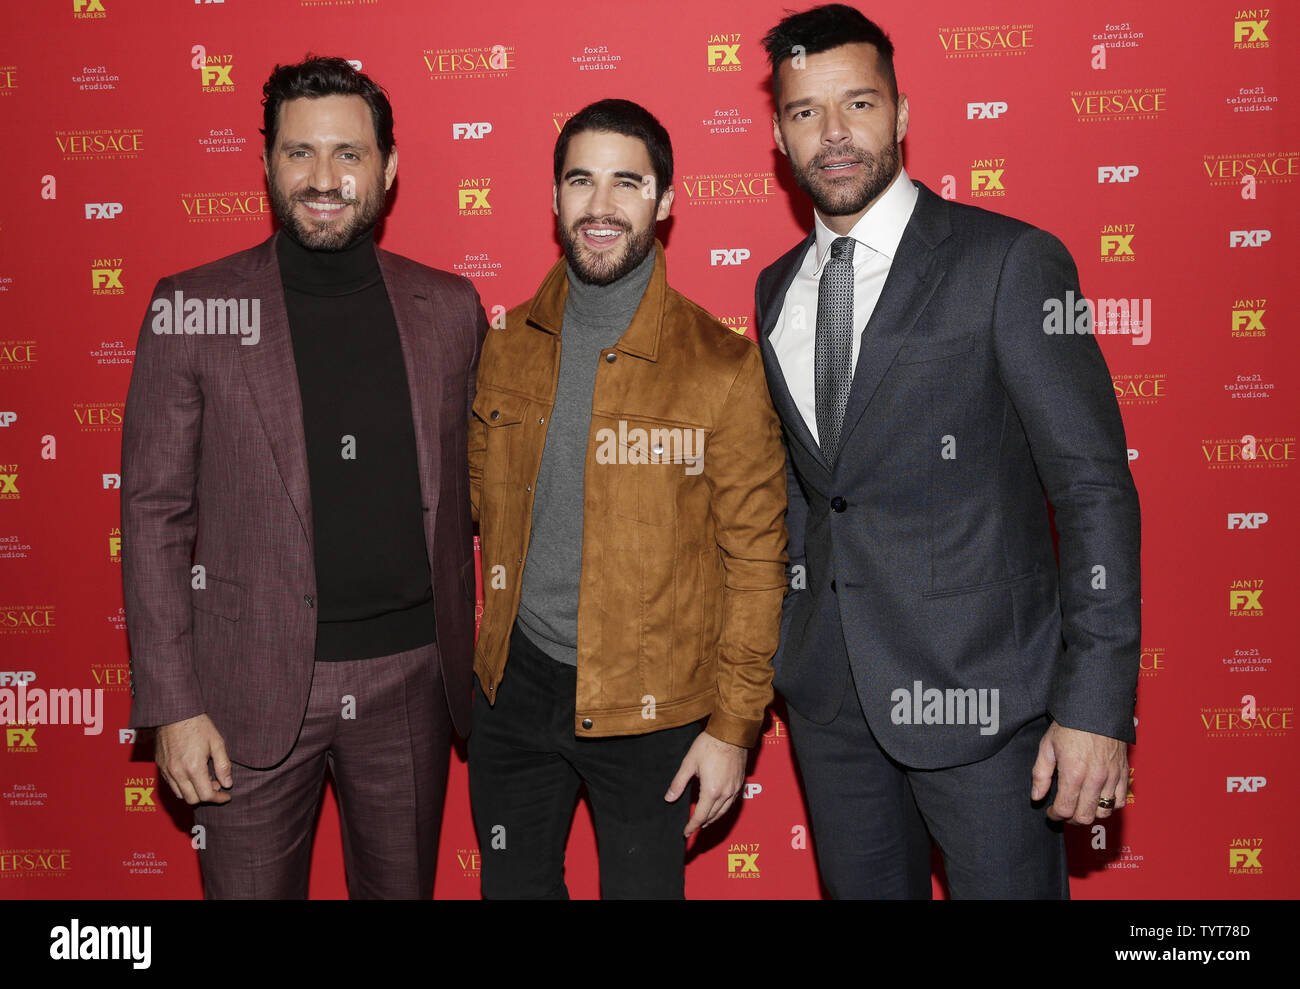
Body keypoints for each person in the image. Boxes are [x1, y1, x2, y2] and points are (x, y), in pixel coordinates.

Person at [755, 5, 1141, 898]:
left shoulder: (1012, 262)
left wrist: (1095, 704)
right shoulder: (777, 289)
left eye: (859, 103)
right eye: (807, 112)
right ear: (779, 134)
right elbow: (815, 492)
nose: (836, 133)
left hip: (986, 704)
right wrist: (786, 649)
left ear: (902, 112)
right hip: (831, 702)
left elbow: (1093, 490)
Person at [121, 56, 486, 899]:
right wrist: (172, 705)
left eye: (349, 155)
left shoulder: (450, 311)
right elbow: (152, 515)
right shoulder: (193, 311)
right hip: (242, 689)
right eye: (300, 153)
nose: (324, 179)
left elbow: (486, 491)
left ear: (388, 170)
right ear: (268, 164)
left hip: (411, 682)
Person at [467, 99, 788, 899]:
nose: (601, 206)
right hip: (515, 689)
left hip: (654, 707)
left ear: (666, 201)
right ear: (553, 199)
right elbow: (479, 507)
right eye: (581, 180)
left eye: (627, 183)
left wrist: (732, 725)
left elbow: (757, 563)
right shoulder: (504, 349)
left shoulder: (722, 368)